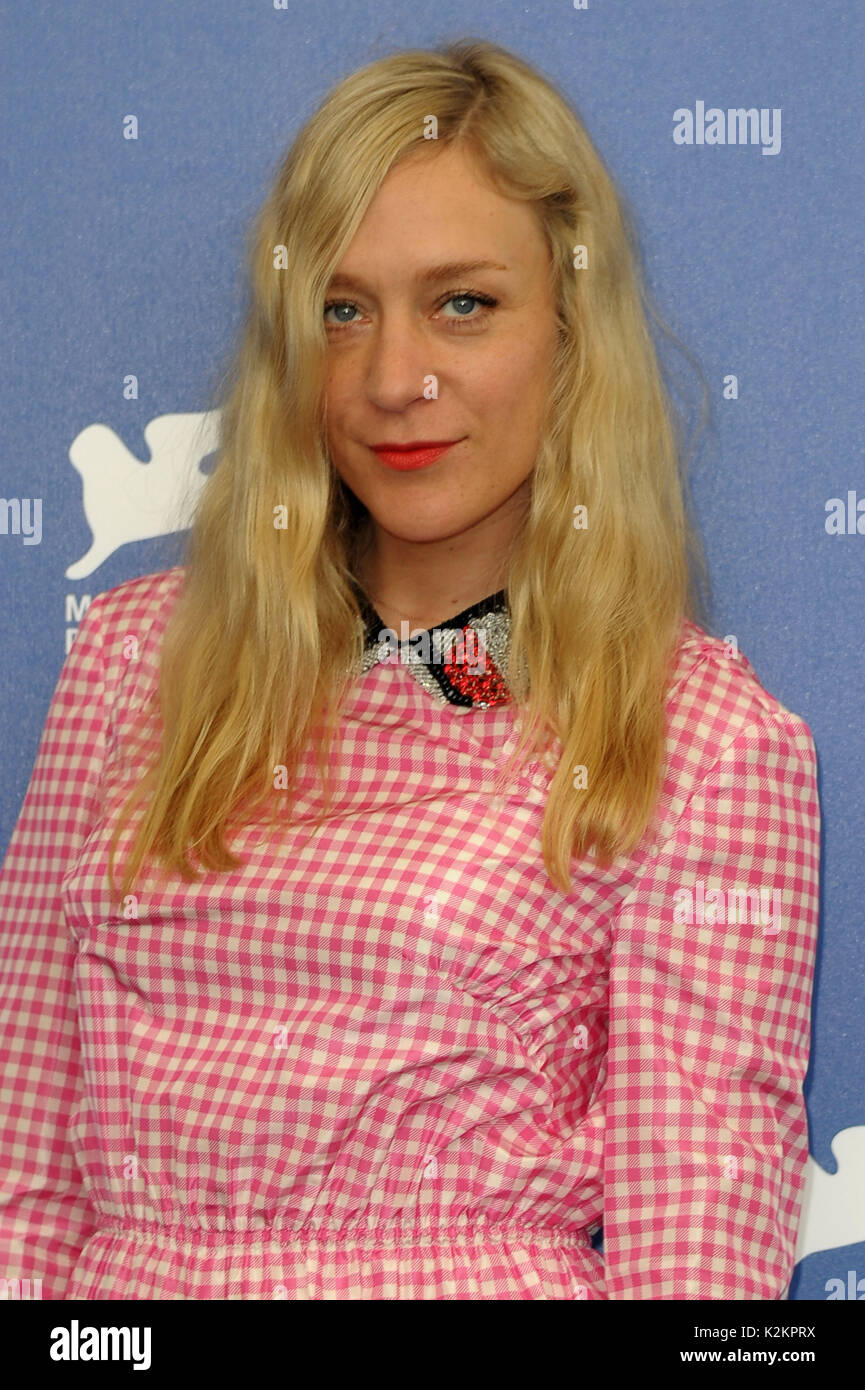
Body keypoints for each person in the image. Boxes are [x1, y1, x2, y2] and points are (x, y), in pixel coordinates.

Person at [0, 38, 820, 1301]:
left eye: (462, 304)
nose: (394, 378)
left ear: (572, 331)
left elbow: (699, 1237)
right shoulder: (131, 664)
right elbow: (24, 1163)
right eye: (343, 309)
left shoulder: (700, 737)